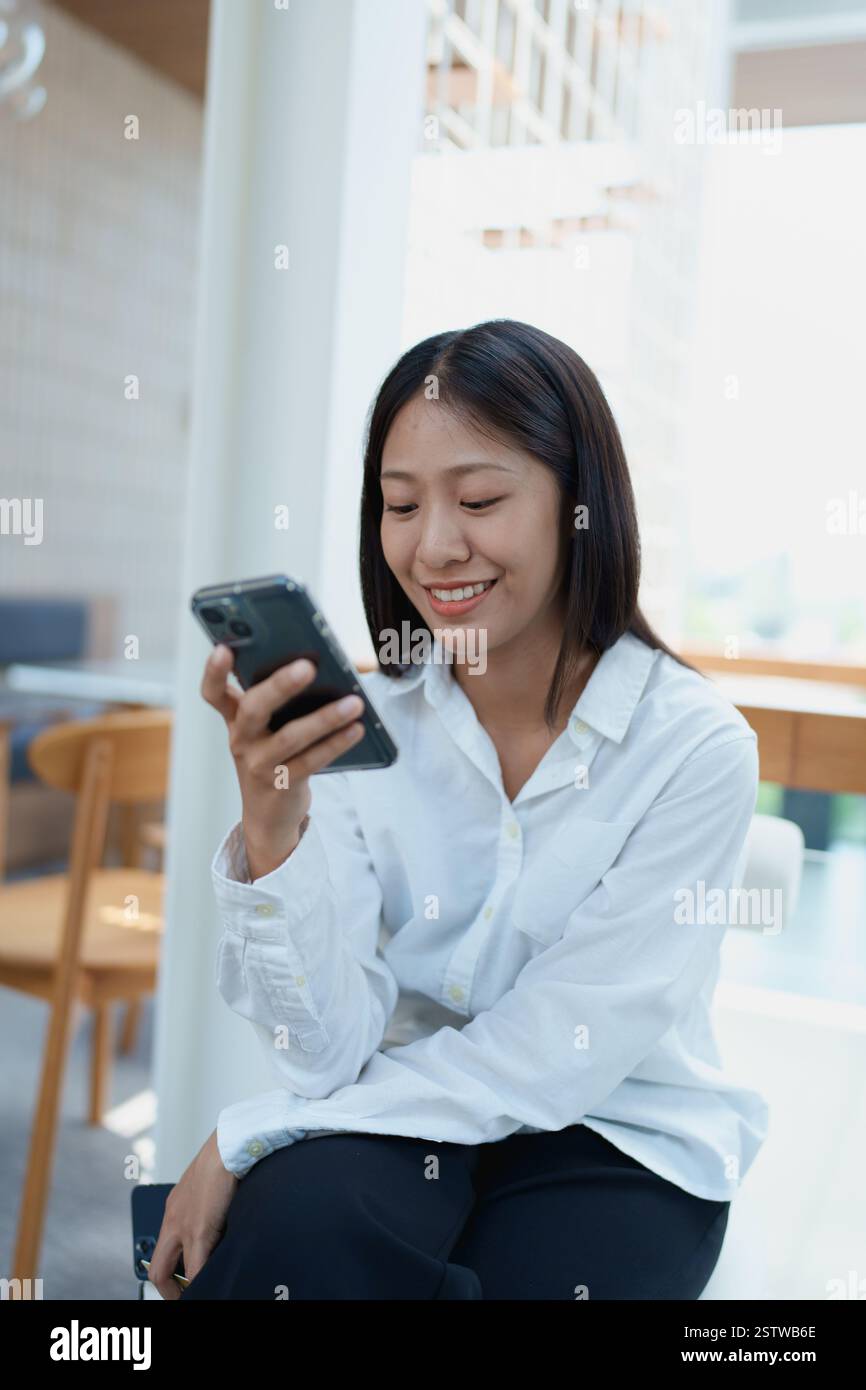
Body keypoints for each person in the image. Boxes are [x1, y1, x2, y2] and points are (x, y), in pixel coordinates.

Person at [149, 319, 769, 1300]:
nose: (433, 545)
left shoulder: (691, 749)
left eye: (478, 498)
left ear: (579, 505)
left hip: (617, 1129)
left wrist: (245, 1129)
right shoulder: (365, 727)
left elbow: (554, 1052)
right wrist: (274, 829)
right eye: (399, 505)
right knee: (289, 1242)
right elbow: (325, 1055)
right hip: (395, 1108)